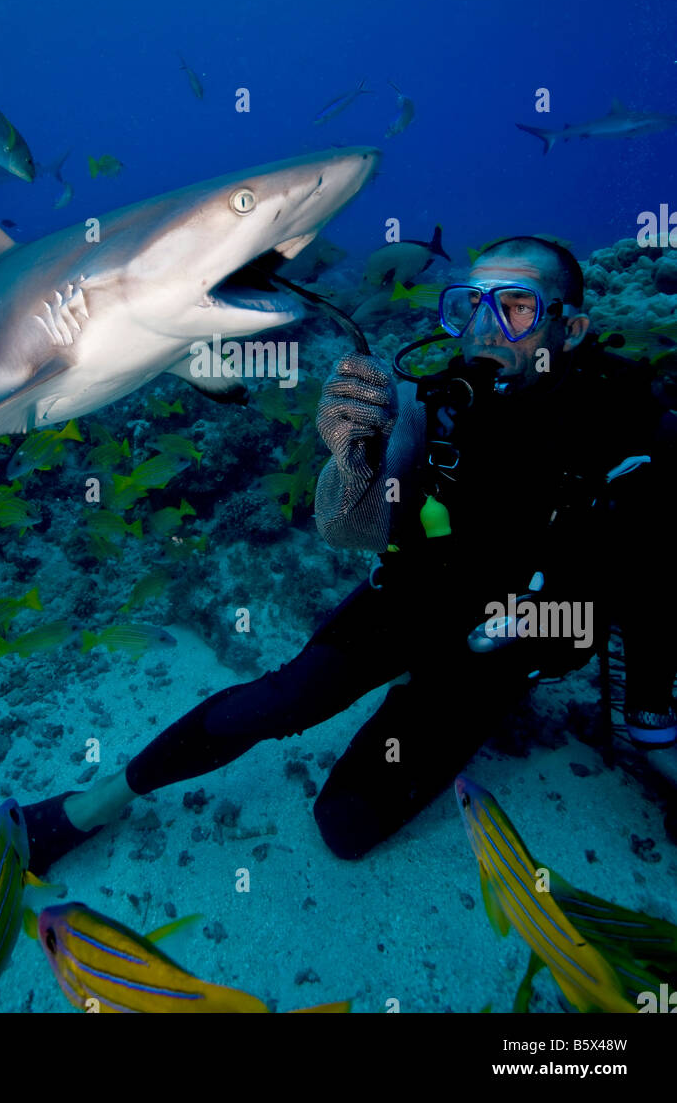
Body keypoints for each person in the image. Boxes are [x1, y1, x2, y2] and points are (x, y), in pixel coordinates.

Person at [63, 235, 676, 859]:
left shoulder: (633, 432)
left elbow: (653, 586)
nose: (485, 329)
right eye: (469, 305)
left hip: (508, 646)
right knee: (282, 700)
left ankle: (434, 696)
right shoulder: (429, 404)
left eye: (517, 307)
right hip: (414, 595)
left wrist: (652, 721)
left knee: (346, 824)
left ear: (569, 330)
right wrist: (351, 457)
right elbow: (350, 530)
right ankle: (90, 805)